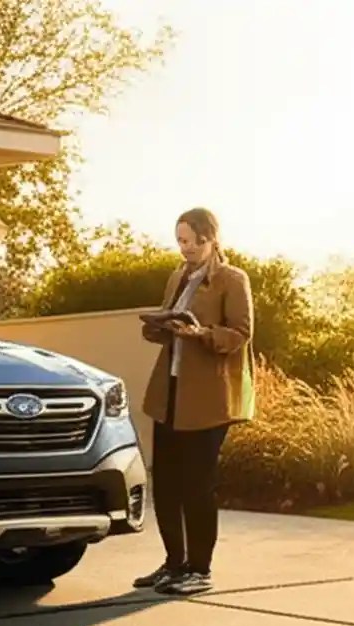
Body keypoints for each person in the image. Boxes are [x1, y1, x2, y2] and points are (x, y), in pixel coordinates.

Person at [133, 207, 256, 596]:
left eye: (191, 241)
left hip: (207, 400)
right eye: (180, 241)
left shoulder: (232, 279)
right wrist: (159, 327)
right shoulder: (178, 276)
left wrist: (201, 334)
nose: (184, 248)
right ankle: (174, 564)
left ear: (210, 238)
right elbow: (170, 325)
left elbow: (241, 333)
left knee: (197, 486)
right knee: (166, 484)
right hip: (169, 393)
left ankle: (199, 570)